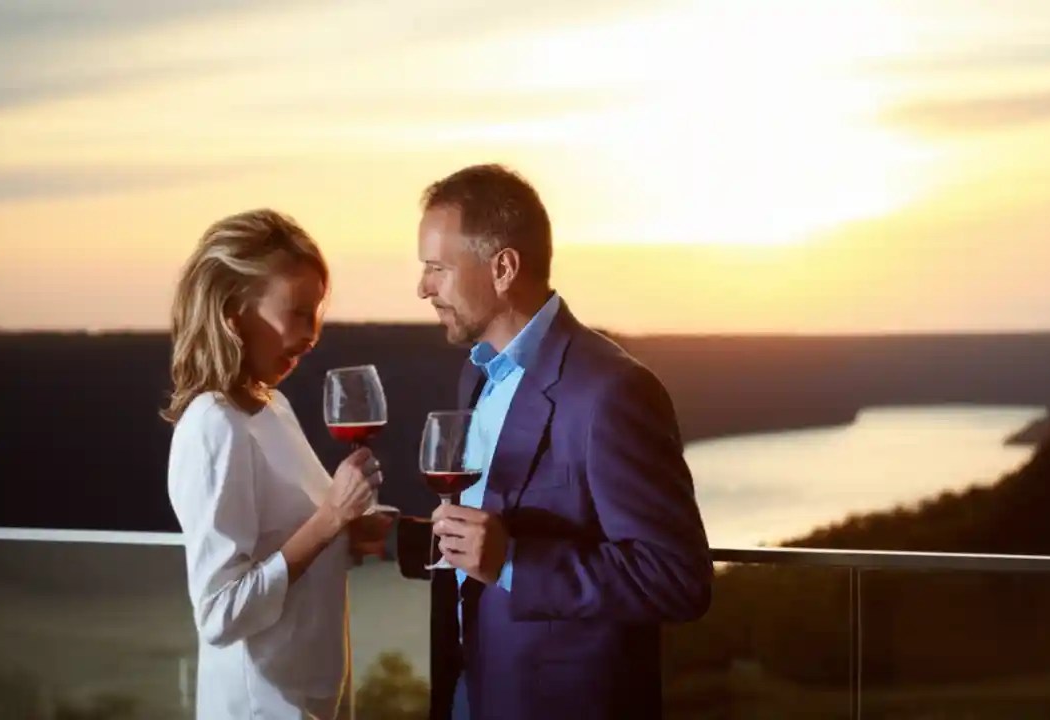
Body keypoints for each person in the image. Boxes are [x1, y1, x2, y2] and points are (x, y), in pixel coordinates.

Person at [396, 165, 713, 719]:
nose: (423, 287)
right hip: (473, 694)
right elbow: (493, 529)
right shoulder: (477, 376)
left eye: (437, 268)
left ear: (503, 267)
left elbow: (676, 579)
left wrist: (514, 561)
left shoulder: (613, 391)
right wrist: (400, 540)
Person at [163, 208, 392, 719]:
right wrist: (330, 518)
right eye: (297, 312)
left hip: (305, 701)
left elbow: (294, 539)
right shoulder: (212, 425)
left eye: (317, 314)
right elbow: (219, 614)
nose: (312, 335)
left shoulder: (271, 407)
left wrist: (351, 528)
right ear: (234, 313)